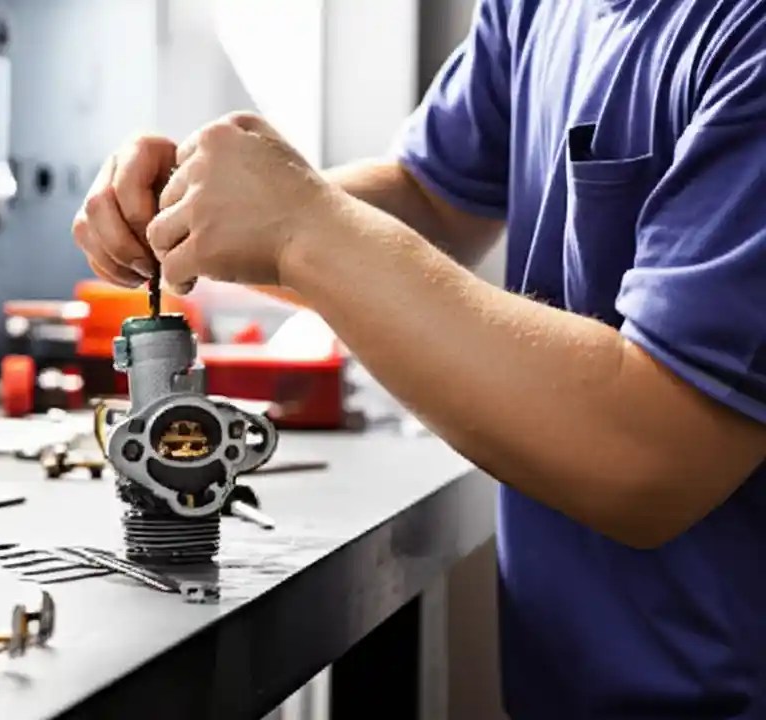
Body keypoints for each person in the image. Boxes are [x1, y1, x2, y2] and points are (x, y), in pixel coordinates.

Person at [71, 0, 766, 716]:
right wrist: (215, 211)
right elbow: (430, 200)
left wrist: (300, 227)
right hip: (567, 682)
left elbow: (653, 455)